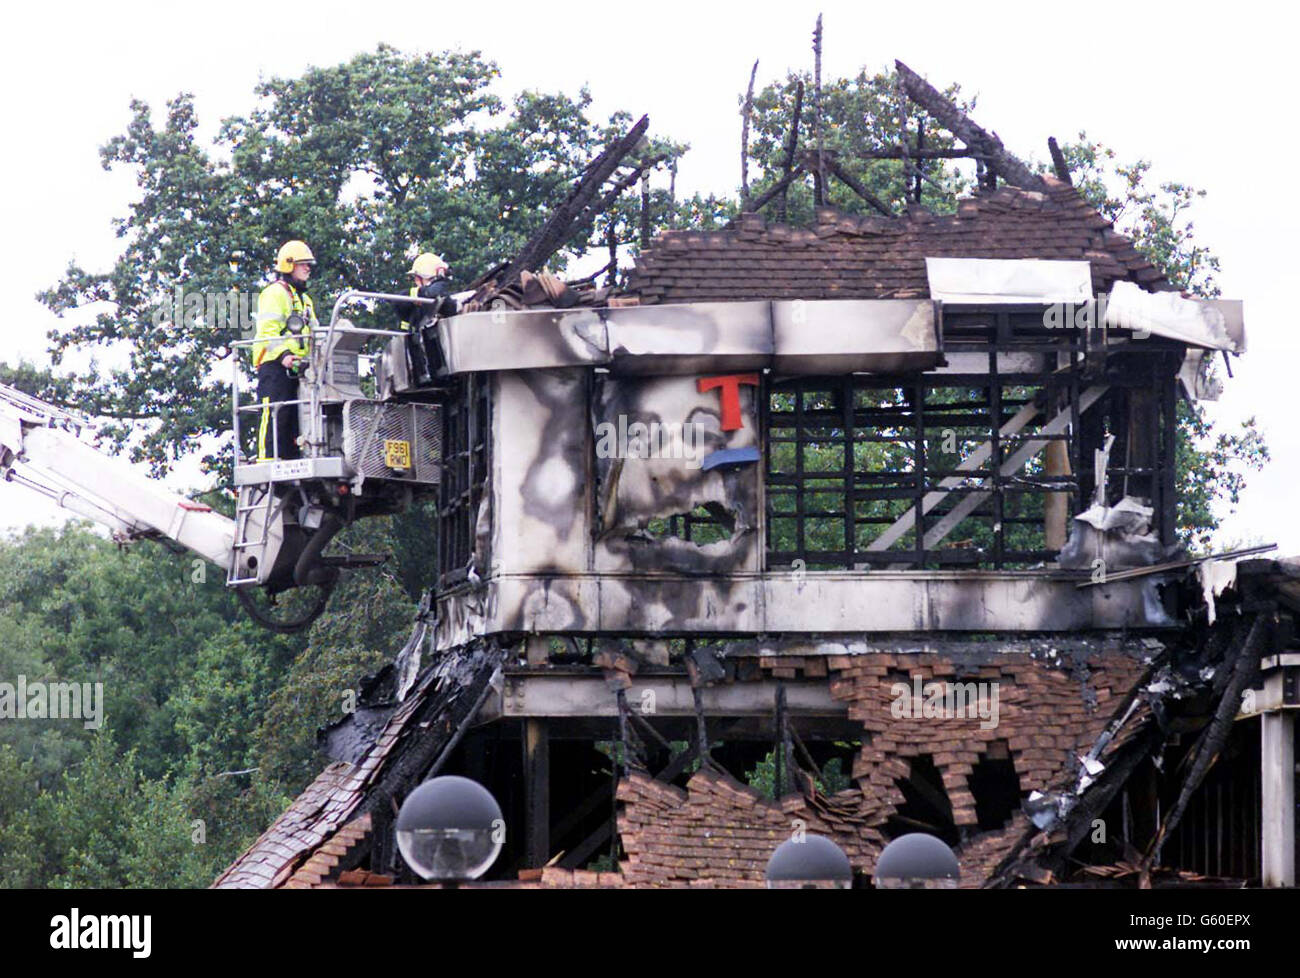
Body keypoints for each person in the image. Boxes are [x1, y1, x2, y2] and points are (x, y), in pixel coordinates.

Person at [252, 240, 317, 460]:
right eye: (303, 264)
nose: (308, 268)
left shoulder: (305, 299)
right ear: (288, 265)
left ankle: (291, 459)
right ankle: (267, 459)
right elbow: (267, 331)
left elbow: (315, 333)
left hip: (299, 371)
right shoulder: (274, 294)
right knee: (275, 415)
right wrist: (284, 356)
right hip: (274, 367)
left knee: (295, 420)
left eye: (309, 264)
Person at [395, 252, 458, 383]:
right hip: (422, 366)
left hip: (440, 365)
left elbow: (434, 294)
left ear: (425, 277)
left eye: (417, 278)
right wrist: (418, 294)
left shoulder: (444, 299)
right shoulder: (414, 304)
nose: (415, 282)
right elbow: (399, 301)